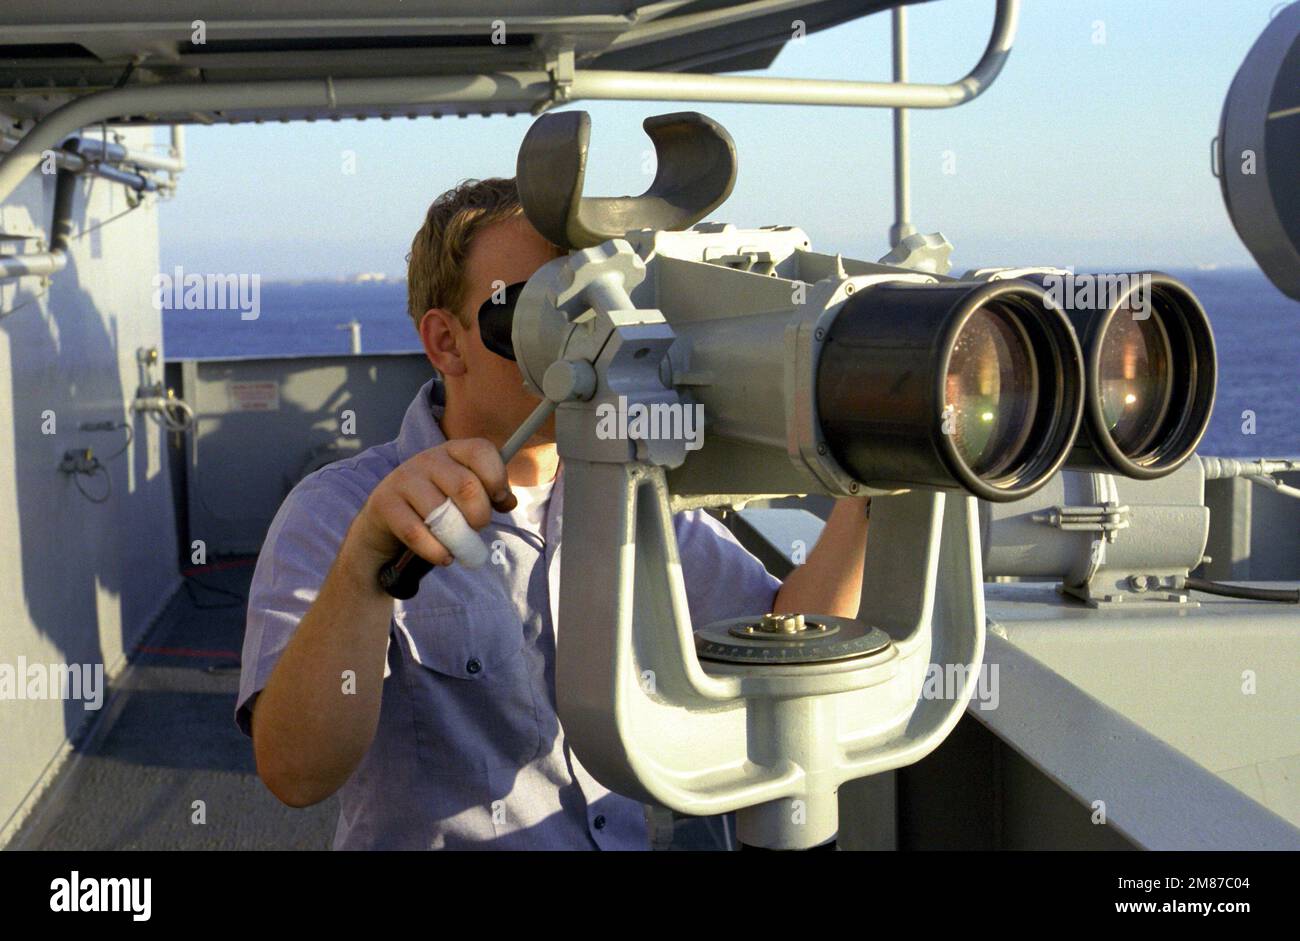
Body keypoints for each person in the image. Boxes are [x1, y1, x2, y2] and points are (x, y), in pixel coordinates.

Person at [236, 176, 870, 849]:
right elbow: (296, 772)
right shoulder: (339, 513)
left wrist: (876, 478)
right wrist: (364, 570)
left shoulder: (633, 495)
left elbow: (786, 638)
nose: (594, 335)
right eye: (548, 306)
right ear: (447, 342)